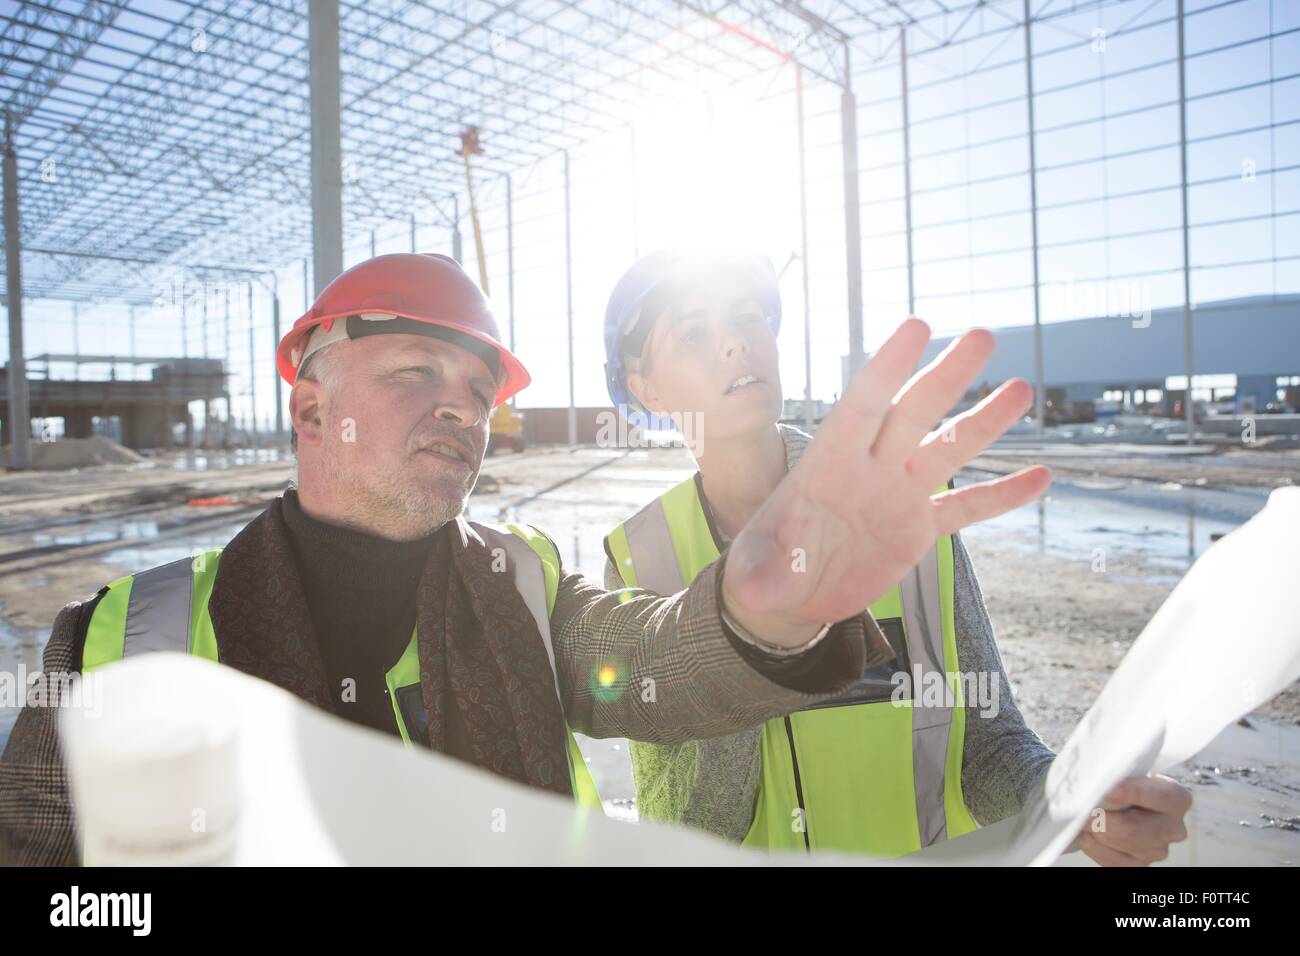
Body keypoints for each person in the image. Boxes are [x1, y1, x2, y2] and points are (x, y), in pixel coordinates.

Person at [0, 251, 1050, 866]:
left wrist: (759, 613)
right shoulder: (114, 643)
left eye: (478, 387)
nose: (462, 402)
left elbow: (646, 661)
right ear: (312, 407)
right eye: (417, 370)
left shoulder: (527, 581)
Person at [600, 247, 1191, 864]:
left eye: (746, 317)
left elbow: (988, 743)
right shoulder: (640, 558)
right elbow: (682, 824)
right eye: (693, 332)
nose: (734, 344)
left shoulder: (899, 502)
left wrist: (1067, 806)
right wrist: (750, 639)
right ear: (648, 390)